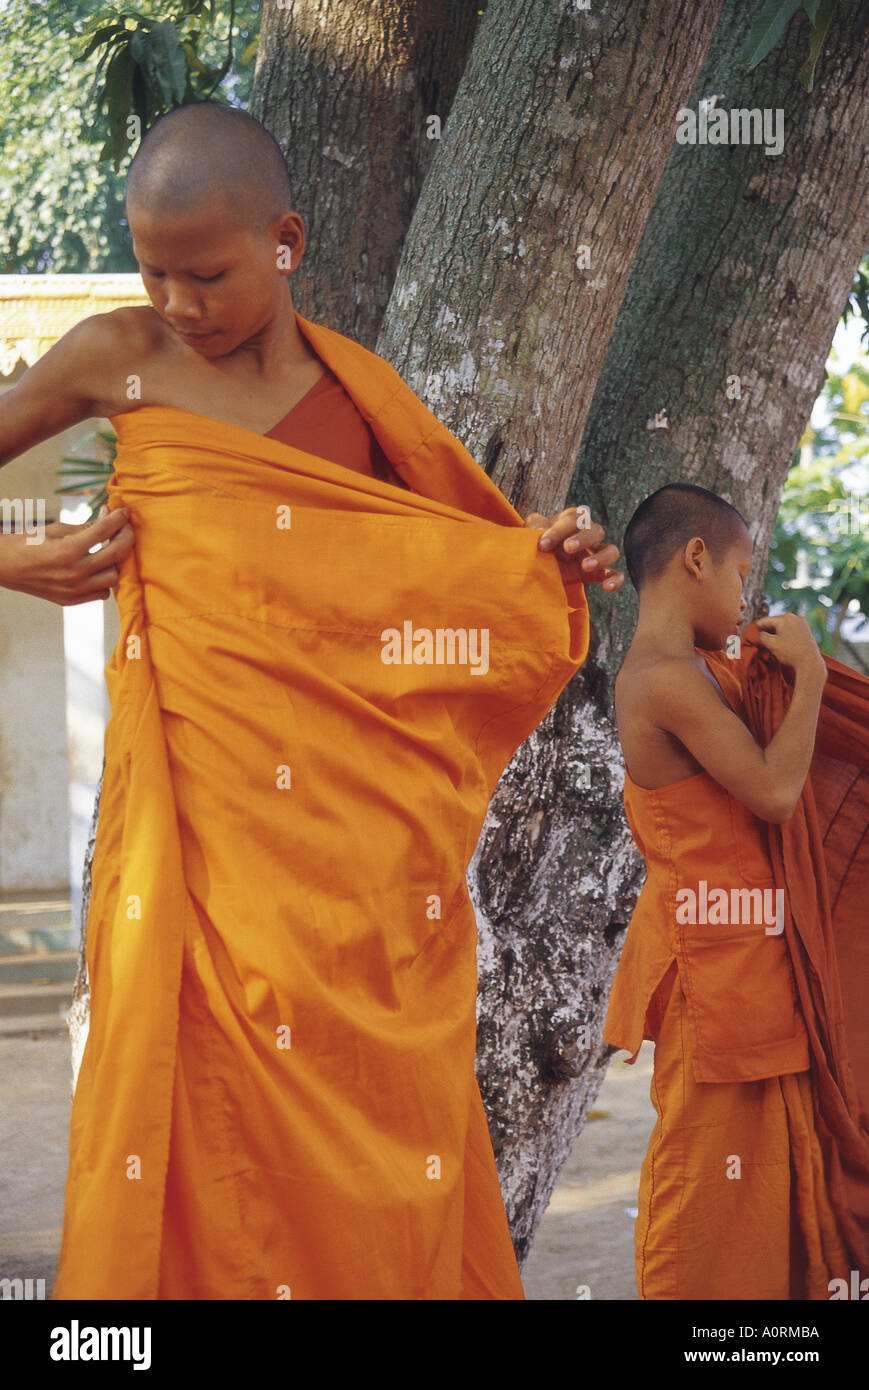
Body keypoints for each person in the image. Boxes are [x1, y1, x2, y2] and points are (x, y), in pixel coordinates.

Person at [0, 100, 624, 1300]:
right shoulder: (113, 356)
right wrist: (12, 556)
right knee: (195, 1126)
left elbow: (445, 572)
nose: (178, 303)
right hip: (198, 861)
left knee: (366, 1155)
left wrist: (550, 554)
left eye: (208, 273)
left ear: (284, 241)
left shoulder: (361, 399)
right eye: (154, 271)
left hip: (355, 871)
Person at [605, 481, 869, 1300]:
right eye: (740, 572)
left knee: (777, 1193)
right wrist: (815, 682)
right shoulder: (659, 679)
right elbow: (774, 793)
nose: (744, 596)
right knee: (709, 1201)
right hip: (711, 977)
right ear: (694, 558)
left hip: (756, 962)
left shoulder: (709, 673)